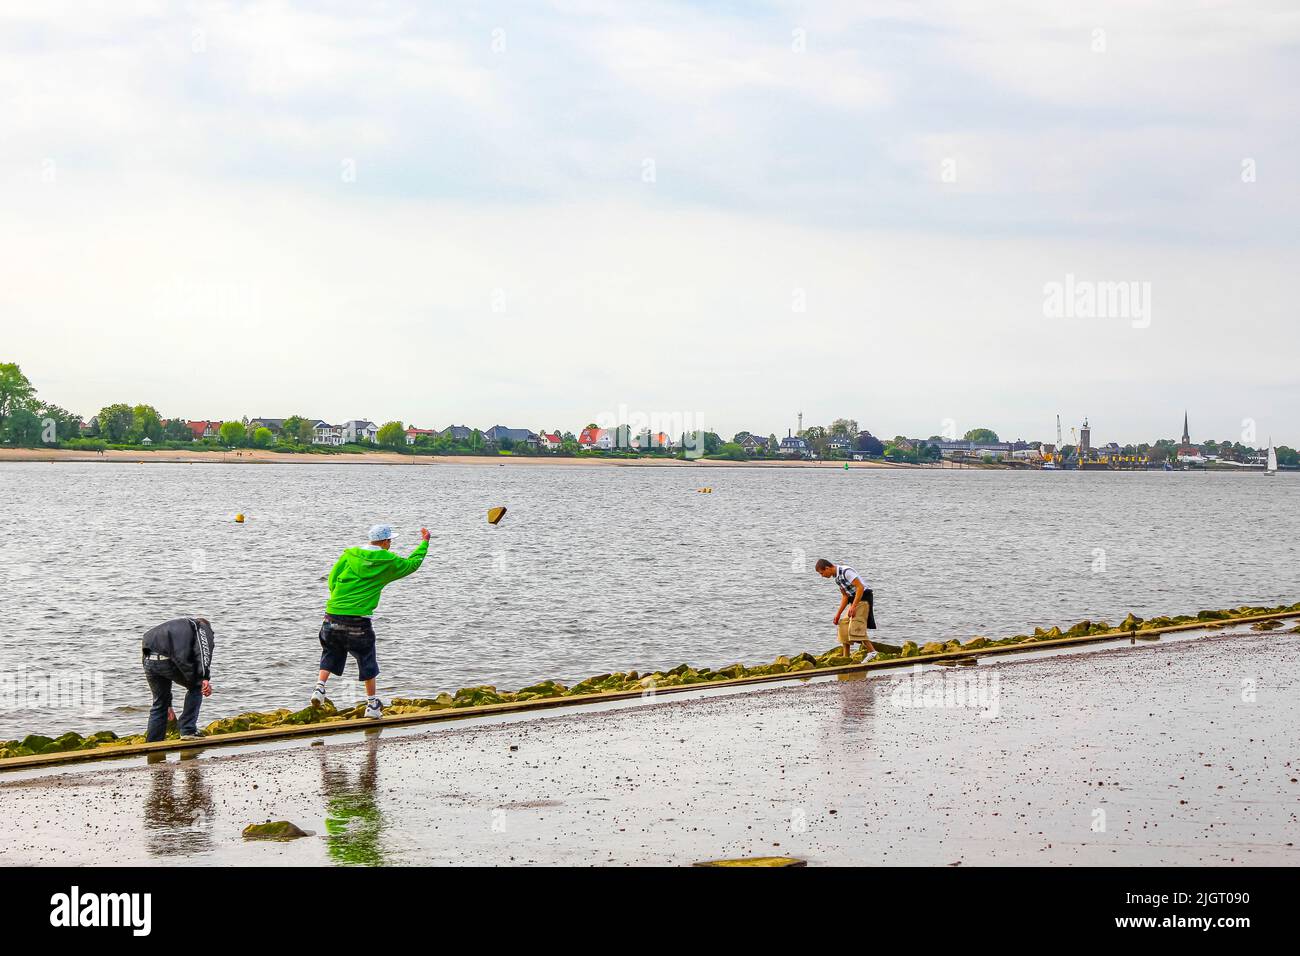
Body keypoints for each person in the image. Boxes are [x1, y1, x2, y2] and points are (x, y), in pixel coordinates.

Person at [311, 523, 430, 718]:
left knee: (331, 651)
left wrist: (339, 600)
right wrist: (424, 543)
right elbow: (412, 564)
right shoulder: (388, 561)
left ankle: (319, 688)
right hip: (359, 619)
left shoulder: (350, 555)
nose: (390, 543)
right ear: (384, 542)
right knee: (367, 659)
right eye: (390, 540)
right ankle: (372, 705)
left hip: (332, 613)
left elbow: (332, 578)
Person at [142, 617, 215, 741]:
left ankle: (153, 743)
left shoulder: (179, 626)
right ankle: (188, 730)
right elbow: (203, 652)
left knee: (160, 703)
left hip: (148, 660)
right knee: (197, 687)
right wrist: (204, 677)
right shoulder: (201, 627)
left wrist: (168, 704)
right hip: (167, 659)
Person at [814, 558, 878, 661]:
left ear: (827, 568)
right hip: (854, 600)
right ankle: (846, 656)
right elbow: (845, 596)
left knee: (855, 626)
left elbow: (860, 587)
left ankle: (872, 652)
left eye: (822, 573)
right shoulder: (837, 578)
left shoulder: (846, 571)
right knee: (843, 624)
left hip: (864, 598)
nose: (822, 576)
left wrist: (853, 606)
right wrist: (838, 614)